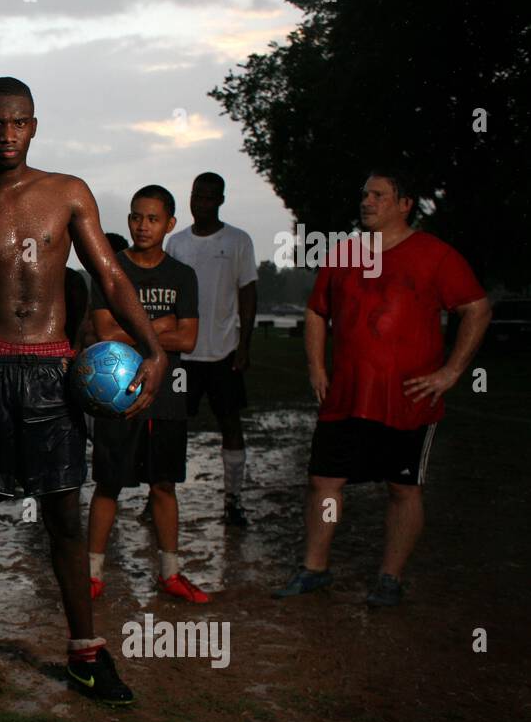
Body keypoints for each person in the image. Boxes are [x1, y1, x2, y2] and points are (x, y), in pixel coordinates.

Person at [0, 77, 166, 718]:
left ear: (34, 126)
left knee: (63, 522)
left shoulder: (68, 193)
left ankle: (87, 654)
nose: (6, 133)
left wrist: (154, 349)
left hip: (54, 379)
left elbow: (109, 275)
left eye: (18, 122)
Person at [276, 166, 489, 607]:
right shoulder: (344, 254)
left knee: (403, 488)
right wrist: (317, 367)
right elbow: (317, 312)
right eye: (364, 195)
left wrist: (450, 372)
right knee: (324, 482)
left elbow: (477, 308)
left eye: (378, 195)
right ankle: (315, 569)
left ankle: (389, 579)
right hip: (347, 396)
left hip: (408, 397)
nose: (366, 202)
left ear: (405, 204)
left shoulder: (435, 255)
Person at [87, 186, 205, 603]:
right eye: (137, 217)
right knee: (108, 484)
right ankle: (92, 572)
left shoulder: (182, 275)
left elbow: (188, 339)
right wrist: (161, 327)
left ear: (170, 224)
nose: (142, 225)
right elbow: (104, 332)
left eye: (153, 219)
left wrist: (135, 328)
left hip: (169, 393)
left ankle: (170, 572)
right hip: (116, 391)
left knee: (164, 485)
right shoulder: (110, 270)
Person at [165, 172, 257, 527]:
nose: (201, 203)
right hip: (182, 356)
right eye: (196, 196)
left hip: (223, 353)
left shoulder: (238, 241)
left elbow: (248, 293)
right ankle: (161, 492)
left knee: (230, 423)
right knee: (172, 424)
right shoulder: (177, 243)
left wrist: (244, 345)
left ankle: (233, 498)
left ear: (220, 200)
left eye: (209, 197)